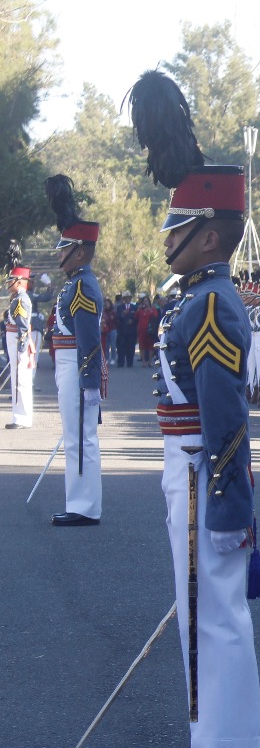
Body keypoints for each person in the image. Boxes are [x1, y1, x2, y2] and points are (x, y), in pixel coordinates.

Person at [129, 68, 260, 748]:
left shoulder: (209, 306)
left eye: (176, 229)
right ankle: (220, 739)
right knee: (206, 611)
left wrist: (226, 505)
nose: (166, 242)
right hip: (187, 468)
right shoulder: (199, 299)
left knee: (213, 612)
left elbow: (224, 419)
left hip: (200, 471)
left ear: (208, 233)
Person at [45, 175, 104, 527]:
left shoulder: (82, 286)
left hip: (76, 367)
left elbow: (88, 340)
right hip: (66, 365)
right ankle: (79, 501)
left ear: (79, 251)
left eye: (64, 248)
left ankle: (83, 506)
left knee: (80, 439)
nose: (59, 254)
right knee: (75, 437)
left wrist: (90, 382)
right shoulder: (75, 284)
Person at [4, 267, 35, 429]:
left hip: (18, 343)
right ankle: (19, 415)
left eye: (11, 280)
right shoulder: (16, 298)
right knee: (18, 380)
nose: (8, 283)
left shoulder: (20, 300)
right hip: (14, 342)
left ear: (20, 282)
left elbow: (22, 327)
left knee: (20, 381)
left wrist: (21, 350)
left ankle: (21, 418)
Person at [136, 294, 160, 365]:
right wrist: (138, 309)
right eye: (144, 301)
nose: (145, 302)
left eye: (147, 301)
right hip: (141, 329)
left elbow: (156, 315)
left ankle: (150, 361)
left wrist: (150, 310)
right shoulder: (140, 309)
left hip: (150, 330)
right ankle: (143, 361)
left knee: (150, 346)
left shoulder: (153, 308)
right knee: (142, 346)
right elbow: (136, 316)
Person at [116, 290, 137, 367]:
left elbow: (137, 317)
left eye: (129, 298)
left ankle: (130, 363)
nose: (127, 299)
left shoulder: (134, 307)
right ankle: (120, 363)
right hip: (122, 331)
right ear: (124, 299)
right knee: (121, 347)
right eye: (126, 298)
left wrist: (132, 320)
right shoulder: (120, 307)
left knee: (131, 348)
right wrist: (122, 314)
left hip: (131, 331)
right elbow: (117, 317)